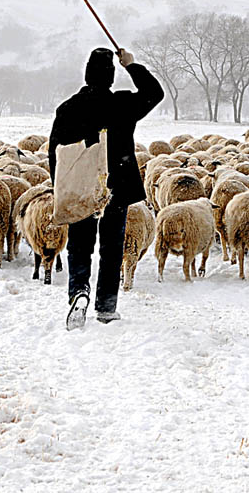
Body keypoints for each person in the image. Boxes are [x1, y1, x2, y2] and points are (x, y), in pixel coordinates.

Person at [48, 47, 164, 330]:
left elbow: (55, 151)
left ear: (87, 74)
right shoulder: (122, 105)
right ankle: (107, 305)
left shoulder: (68, 108)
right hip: (118, 184)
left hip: (82, 186)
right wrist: (132, 66)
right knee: (112, 248)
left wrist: (61, 185)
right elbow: (155, 93)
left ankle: (79, 291)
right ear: (111, 77)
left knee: (79, 244)